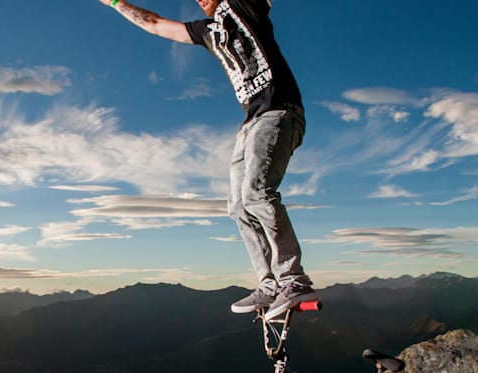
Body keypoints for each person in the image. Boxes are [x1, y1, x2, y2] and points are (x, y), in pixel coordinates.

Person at [98, 0, 317, 319]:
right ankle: (269, 284)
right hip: (251, 122)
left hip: (279, 112)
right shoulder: (207, 31)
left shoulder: (245, 7)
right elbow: (154, 23)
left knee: (257, 194)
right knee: (238, 206)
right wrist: (115, 2)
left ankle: (293, 280)